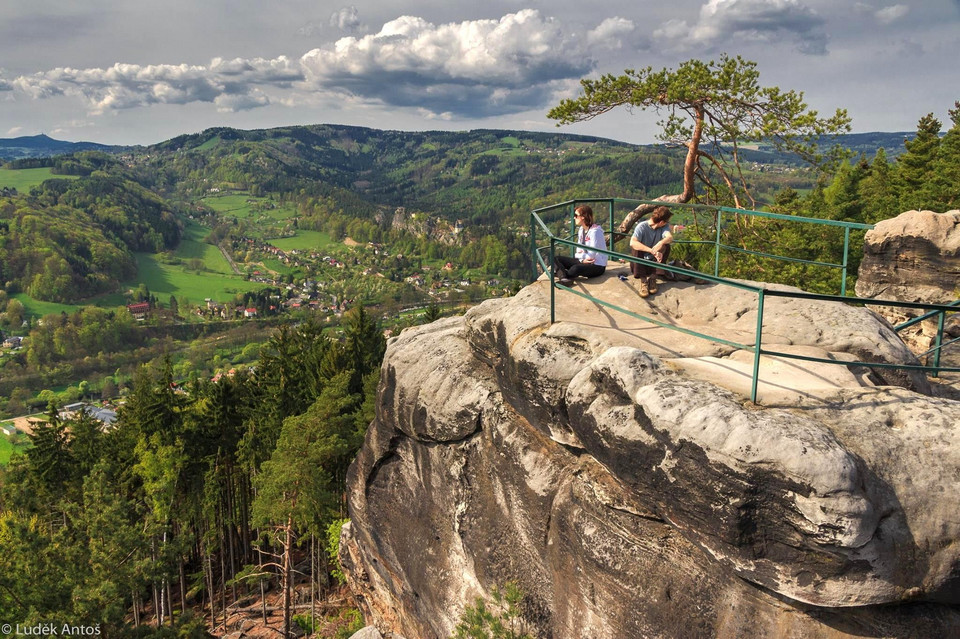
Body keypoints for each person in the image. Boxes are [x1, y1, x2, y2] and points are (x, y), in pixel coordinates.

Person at [554, 205, 607, 286]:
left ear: (583, 217)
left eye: (576, 216)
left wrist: (581, 257)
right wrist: (582, 260)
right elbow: (577, 251)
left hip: (597, 265)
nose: (574, 218)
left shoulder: (595, 232)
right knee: (556, 259)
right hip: (584, 260)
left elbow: (592, 255)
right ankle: (564, 278)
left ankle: (561, 274)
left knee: (575, 269)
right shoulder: (581, 230)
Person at [630, 206, 674, 298]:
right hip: (640, 263)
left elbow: (669, 237)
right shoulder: (641, 227)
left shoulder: (663, 227)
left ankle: (653, 278)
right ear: (661, 222)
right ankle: (643, 281)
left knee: (666, 246)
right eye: (667, 221)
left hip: (653, 262)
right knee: (636, 248)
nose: (667, 223)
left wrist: (661, 242)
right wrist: (652, 251)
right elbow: (632, 242)